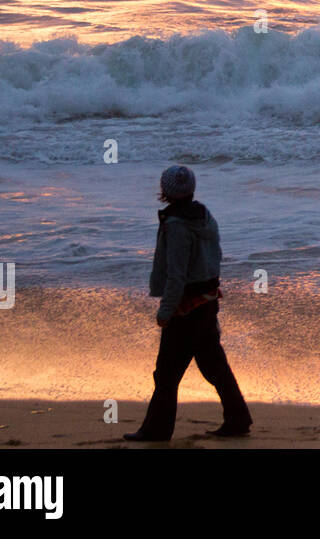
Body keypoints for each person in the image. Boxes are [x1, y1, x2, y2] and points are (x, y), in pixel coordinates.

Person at [125, 165, 253, 442]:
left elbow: (176, 275)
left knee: (167, 373)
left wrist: (166, 310)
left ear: (165, 191)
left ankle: (157, 430)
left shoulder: (176, 226)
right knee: (213, 365)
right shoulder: (205, 215)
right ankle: (238, 418)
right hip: (207, 301)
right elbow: (215, 255)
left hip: (186, 308)